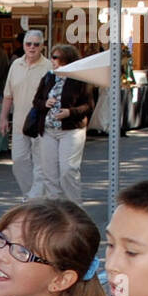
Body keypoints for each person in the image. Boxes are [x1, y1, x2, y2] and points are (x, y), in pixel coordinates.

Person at [31, 43, 94, 204]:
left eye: (56, 58)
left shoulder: (80, 78)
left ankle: (75, 207)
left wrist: (69, 112)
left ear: (68, 60)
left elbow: (88, 105)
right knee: (49, 172)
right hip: (48, 130)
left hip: (71, 130)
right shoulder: (49, 77)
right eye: (52, 57)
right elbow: (36, 100)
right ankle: (55, 210)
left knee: (68, 170)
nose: (53, 61)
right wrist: (45, 103)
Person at [0, 30, 52, 200]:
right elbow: (8, 95)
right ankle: (31, 195)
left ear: (42, 46)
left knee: (40, 163)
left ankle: (34, 199)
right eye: (28, 44)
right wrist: (3, 118)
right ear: (23, 45)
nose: (32, 47)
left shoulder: (49, 67)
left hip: (41, 123)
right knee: (19, 161)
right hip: (20, 122)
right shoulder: (16, 65)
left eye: (36, 44)